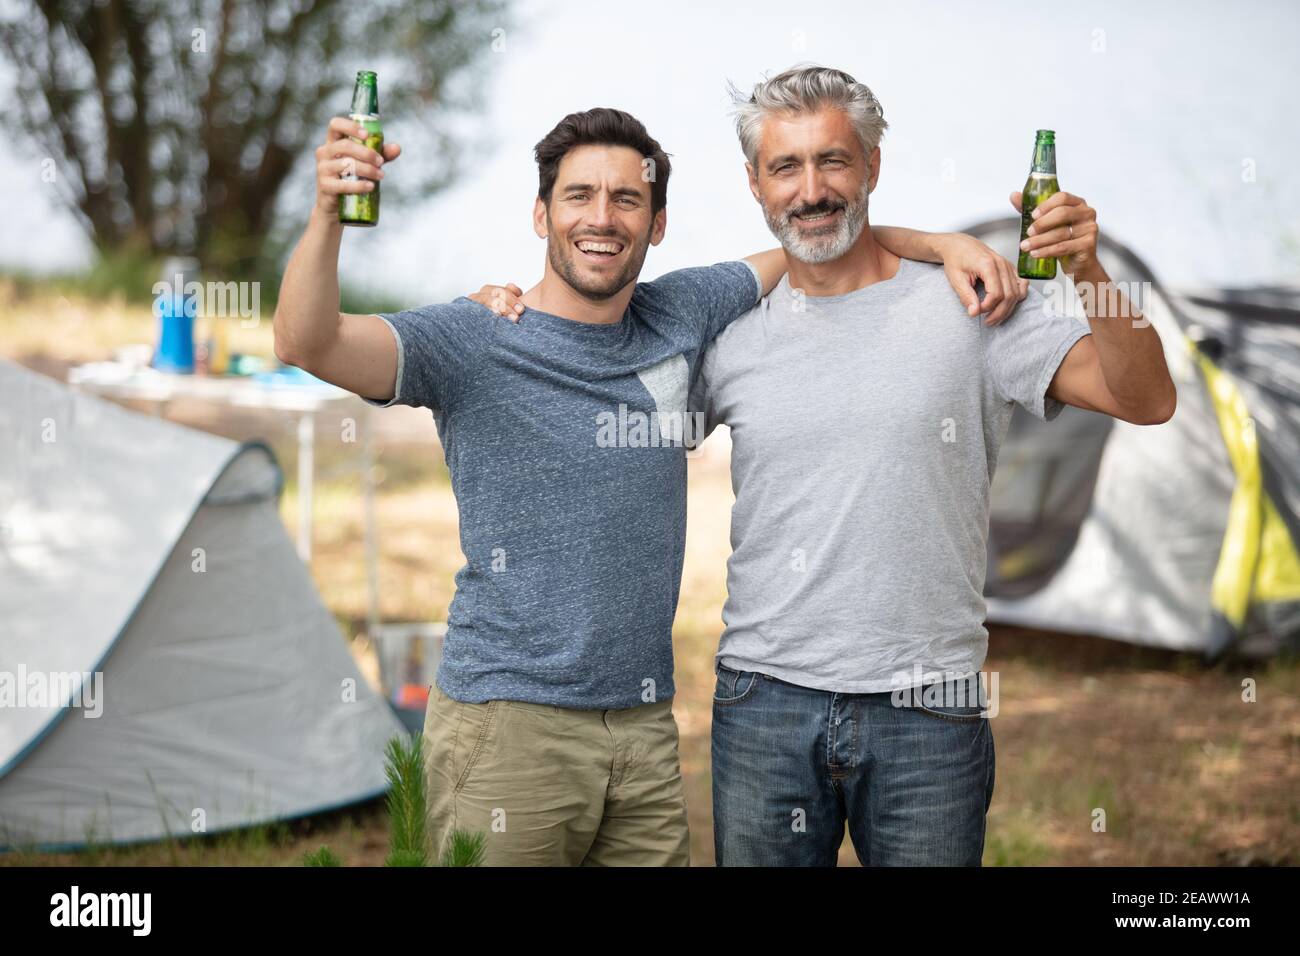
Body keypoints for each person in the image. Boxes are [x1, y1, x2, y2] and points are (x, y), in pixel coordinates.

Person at [276, 105, 1025, 866]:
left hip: (642, 729)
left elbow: (822, 244)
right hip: (510, 723)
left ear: (657, 223)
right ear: (542, 214)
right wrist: (328, 215)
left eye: (627, 199)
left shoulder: (682, 311)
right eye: (579, 196)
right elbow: (307, 340)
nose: (601, 217)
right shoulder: (473, 339)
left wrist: (942, 243)